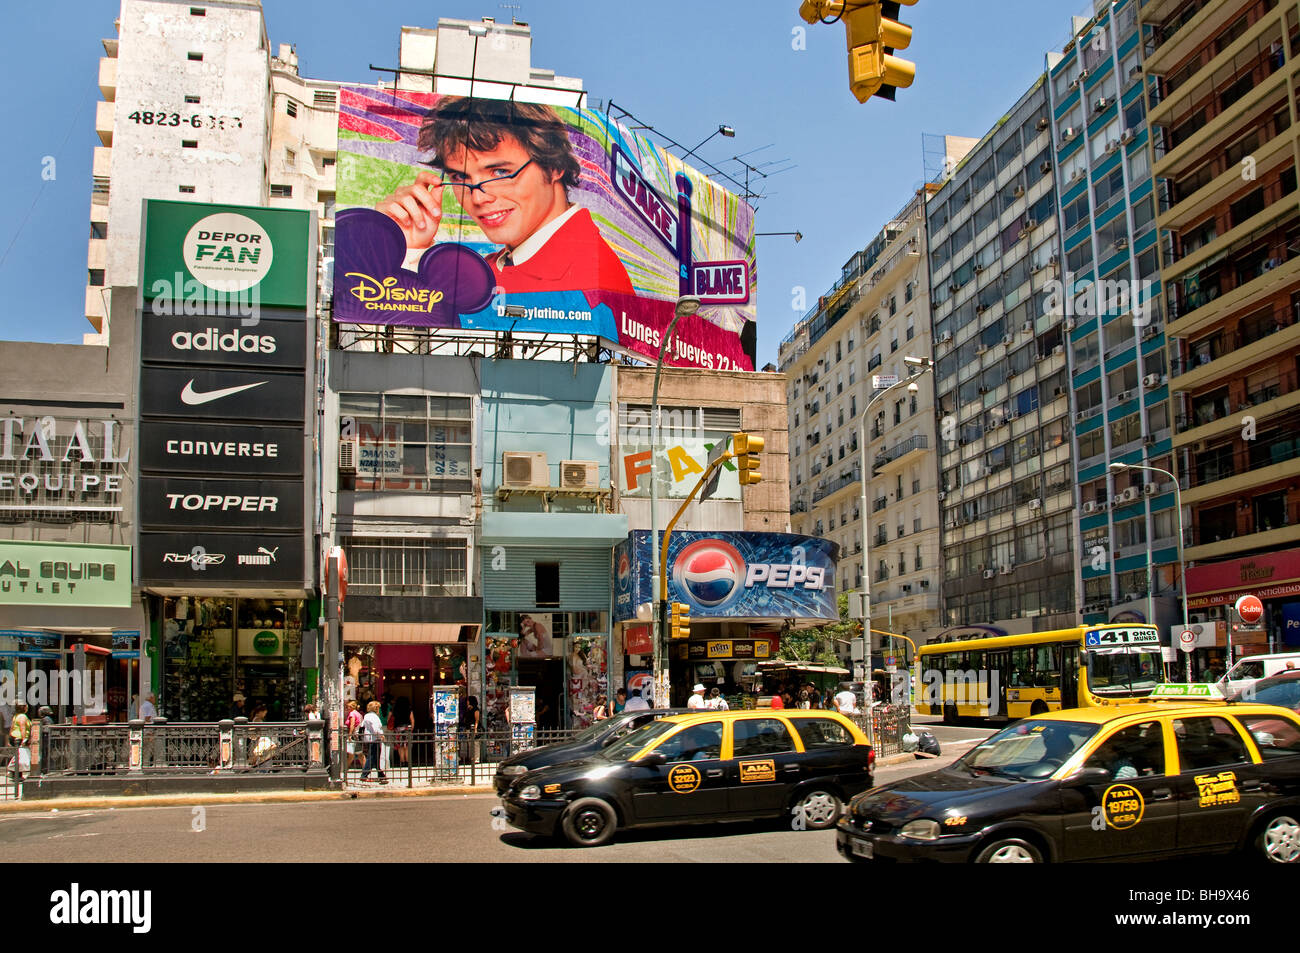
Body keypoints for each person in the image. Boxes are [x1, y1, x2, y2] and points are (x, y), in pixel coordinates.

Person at [378, 97, 635, 296]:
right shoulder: (500, 264)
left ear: (555, 166)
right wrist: (410, 247)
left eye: (500, 172)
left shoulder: (591, 276)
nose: (478, 199)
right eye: (460, 177)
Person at [360, 700, 388, 784]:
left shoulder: (367, 716)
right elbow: (376, 728)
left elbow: (363, 726)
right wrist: (381, 735)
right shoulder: (374, 717)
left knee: (375, 757)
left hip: (369, 738)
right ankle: (364, 774)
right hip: (375, 738)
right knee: (372, 756)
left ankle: (380, 774)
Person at [458, 695, 482, 765]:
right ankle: (472, 757)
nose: (467, 702)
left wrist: (476, 729)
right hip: (468, 728)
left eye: (468, 701)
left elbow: (477, 720)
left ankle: (476, 758)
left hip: (474, 728)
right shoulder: (468, 709)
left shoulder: (476, 709)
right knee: (470, 744)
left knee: (476, 744)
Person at [392, 696, 414, 767]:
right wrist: (412, 729)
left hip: (398, 728)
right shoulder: (409, 709)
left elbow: (390, 719)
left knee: (400, 746)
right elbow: (412, 719)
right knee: (407, 746)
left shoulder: (395, 709)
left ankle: (402, 761)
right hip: (407, 728)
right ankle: (407, 761)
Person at [345, 700, 364, 771]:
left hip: (354, 735)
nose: (347, 708)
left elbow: (352, 725)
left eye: (348, 707)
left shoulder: (352, 714)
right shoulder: (359, 714)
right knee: (354, 753)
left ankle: (346, 768)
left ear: (352, 707)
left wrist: (350, 735)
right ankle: (346, 768)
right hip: (358, 734)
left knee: (355, 753)